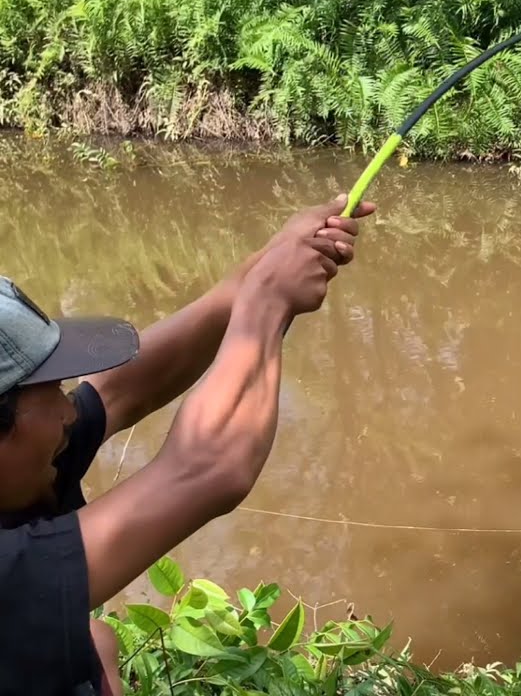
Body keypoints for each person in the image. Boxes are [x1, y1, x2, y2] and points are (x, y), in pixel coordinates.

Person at [0, 192, 376, 695]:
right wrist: (268, 303)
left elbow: (123, 390)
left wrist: (271, 262)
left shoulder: (23, 459)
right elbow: (210, 466)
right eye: (46, 394)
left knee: (95, 638)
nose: (69, 411)